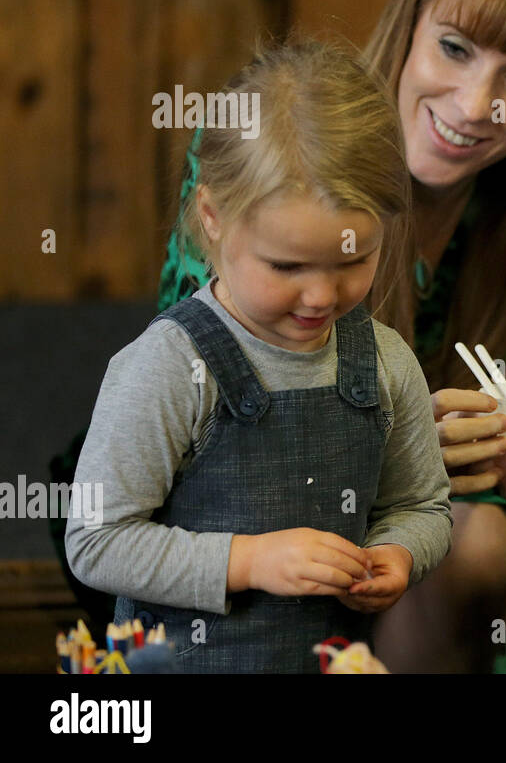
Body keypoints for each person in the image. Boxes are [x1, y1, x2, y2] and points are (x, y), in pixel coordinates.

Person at [149, 0, 506, 672]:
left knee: (481, 542)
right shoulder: (265, 155)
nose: (474, 107)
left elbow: (452, 502)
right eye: (453, 47)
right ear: (410, 24)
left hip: (399, 562)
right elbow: (198, 443)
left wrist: (489, 470)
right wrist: (396, 449)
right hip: (241, 536)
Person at [65, 39, 452, 673]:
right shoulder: (167, 368)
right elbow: (97, 539)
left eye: (354, 260)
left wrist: (398, 552)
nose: (323, 295)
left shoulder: (383, 362)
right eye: (287, 265)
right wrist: (247, 561)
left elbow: (421, 505)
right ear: (212, 215)